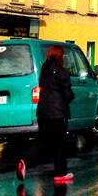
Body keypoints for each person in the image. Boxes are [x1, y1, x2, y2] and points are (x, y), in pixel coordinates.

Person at [17, 45, 74, 184]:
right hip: (58, 113)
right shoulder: (63, 73)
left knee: (43, 141)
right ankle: (60, 173)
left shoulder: (44, 70)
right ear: (61, 57)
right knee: (59, 144)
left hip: (43, 112)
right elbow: (67, 94)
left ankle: (25, 160)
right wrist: (71, 95)